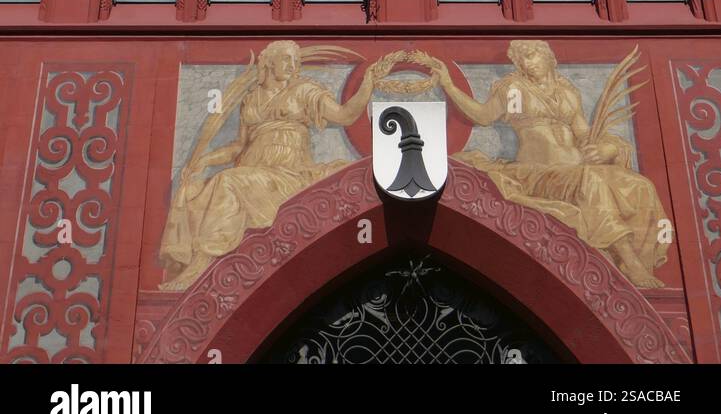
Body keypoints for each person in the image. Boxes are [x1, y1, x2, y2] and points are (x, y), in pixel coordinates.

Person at [412, 40, 668, 289]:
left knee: (640, 185)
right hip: (537, 173)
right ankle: (630, 261)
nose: (527, 62)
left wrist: (605, 149)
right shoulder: (512, 87)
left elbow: (584, 134)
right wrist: (449, 85)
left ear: (548, 57)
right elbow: (482, 115)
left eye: (532, 56)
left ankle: (635, 258)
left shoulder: (568, 92)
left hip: (576, 168)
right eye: (522, 58)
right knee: (591, 182)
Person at [160, 41, 400, 290]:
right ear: (269, 62)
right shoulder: (251, 100)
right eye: (285, 59)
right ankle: (197, 263)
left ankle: (202, 264)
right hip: (254, 172)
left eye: (295, 61)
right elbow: (238, 146)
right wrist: (203, 160)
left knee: (227, 182)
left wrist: (368, 83)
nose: (292, 65)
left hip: (288, 175)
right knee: (195, 188)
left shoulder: (305, 91)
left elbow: (344, 115)